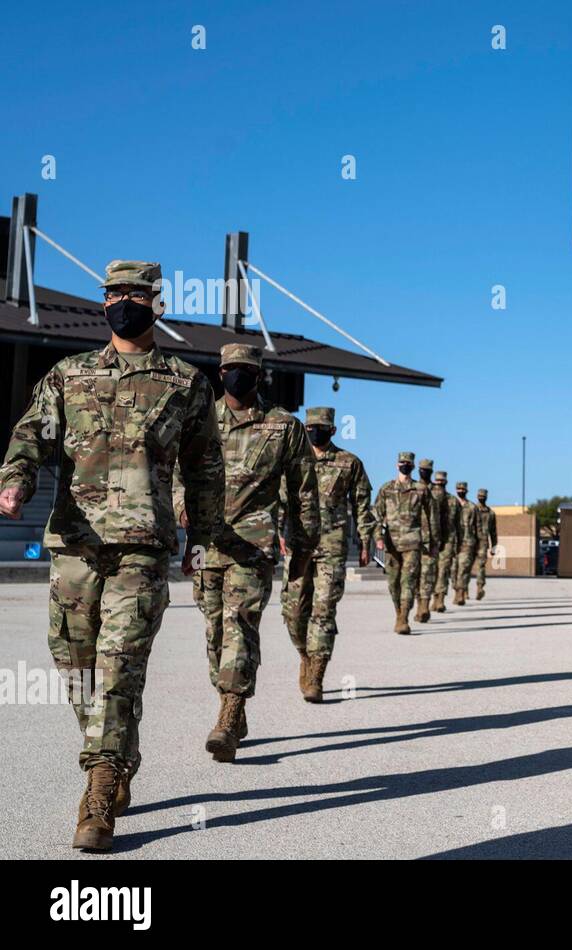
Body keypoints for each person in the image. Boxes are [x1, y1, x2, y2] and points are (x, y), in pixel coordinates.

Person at [0, 260, 223, 851]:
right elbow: (30, 435)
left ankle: (99, 789)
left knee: (119, 664)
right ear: (104, 304)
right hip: (75, 544)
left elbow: (205, 469)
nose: (125, 301)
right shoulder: (66, 375)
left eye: (135, 293)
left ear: (156, 302)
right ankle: (119, 755)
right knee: (76, 670)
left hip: (142, 549)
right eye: (114, 294)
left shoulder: (185, 383)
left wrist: (201, 537)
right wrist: (16, 479)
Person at [196, 343, 317, 763]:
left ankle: (229, 713)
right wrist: (181, 512)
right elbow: (176, 474)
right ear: (220, 370)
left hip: (254, 543)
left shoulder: (283, 426)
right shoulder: (200, 418)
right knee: (214, 633)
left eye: (246, 369)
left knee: (240, 626)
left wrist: (302, 546)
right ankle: (232, 700)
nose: (237, 375)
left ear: (259, 374)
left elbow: (304, 491)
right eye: (231, 368)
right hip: (205, 546)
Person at [281, 406, 375, 702]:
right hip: (297, 546)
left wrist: (365, 540)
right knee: (293, 611)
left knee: (323, 611)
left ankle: (316, 677)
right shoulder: (291, 461)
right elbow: (276, 499)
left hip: (332, 548)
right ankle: (305, 655)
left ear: (333, 430)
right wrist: (274, 533)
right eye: (310, 428)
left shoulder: (349, 463)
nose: (314, 432)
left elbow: (362, 504)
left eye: (320, 428)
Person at [374, 451, 435, 634]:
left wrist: (430, 540)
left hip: (413, 541)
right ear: (397, 465)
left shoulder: (421, 489)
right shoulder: (386, 489)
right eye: (402, 463)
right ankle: (398, 612)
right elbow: (377, 514)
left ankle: (403, 619)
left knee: (407, 581)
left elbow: (430, 516)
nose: (405, 465)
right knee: (393, 583)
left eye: (408, 463)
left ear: (413, 467)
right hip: (391, 543)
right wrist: (377, 537)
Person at [413, 458, 444, 621]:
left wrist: (439, 540)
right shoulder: (412, 488)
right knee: (415, 575)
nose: (424, 472)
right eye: (421, 469)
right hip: (411, 538)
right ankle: (419, 605)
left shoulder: (438, 493)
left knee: (428, 573)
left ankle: (424, 605)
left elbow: (445, 518)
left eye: (427, 470)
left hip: (430, 539)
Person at [431, 471, 459, 612]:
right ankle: (427, 600)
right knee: (430, 571)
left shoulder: (453, 501)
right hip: (429, 540)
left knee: (443, 570)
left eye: (442, 481)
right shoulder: (427, 496)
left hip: (447, 539)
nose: (440, 483)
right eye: (438, 481)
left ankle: (440, 599)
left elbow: (458, 524)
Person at [451, 480, 480, 605]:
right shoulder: (451, 504)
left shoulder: (472, 507)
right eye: (459, 489)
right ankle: (456, 589)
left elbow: (478, 527)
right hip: (452, 542)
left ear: (467, 491)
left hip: (467, 542)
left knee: (463, 569)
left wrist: (479, 544)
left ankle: (460, 593)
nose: (461, 491)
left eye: (463, 489)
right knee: (453, 570)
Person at [471, 488, 498, 600]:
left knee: (481, 566)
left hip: (483, 542)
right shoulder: (472, 509)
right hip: (470, 541)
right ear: (477, 496)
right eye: (480, 496)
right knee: (466, 566)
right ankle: (463, 590)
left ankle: (480, 588)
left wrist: (494, 547)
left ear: (486, 497)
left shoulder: (491, 513)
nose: (481, 498)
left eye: (483, 496)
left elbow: (493, 532)